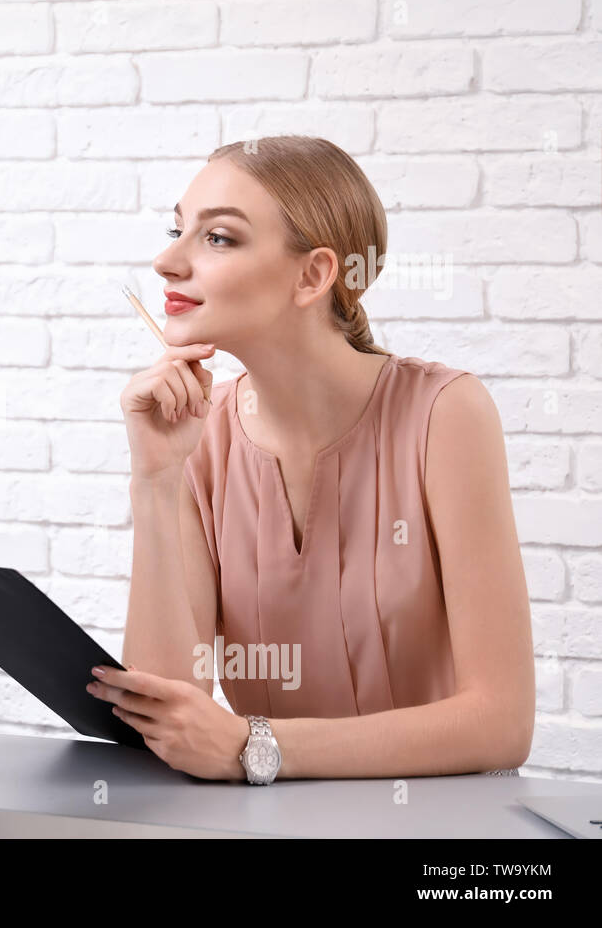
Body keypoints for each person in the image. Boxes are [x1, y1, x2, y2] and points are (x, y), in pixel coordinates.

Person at [91, 136, 534, 783]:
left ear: (314, 275)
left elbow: (502, 722)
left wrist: (254, 748)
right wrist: (155, 481)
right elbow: (162, 712)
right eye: (177, 230)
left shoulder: (446, 413)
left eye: (217, 239)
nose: (165, 261)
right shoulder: (200, 433)